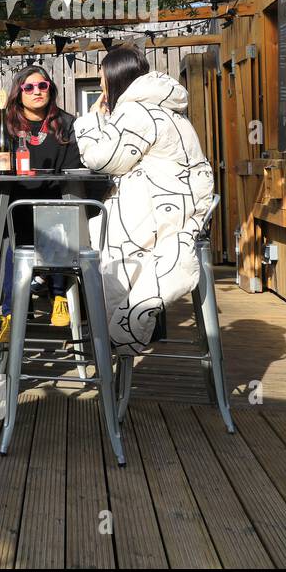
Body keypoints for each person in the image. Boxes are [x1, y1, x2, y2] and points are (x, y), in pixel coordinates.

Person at [74, 47, 215, 353]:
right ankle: (108, 333)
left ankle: (106, 337)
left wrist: (90, 121)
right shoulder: (165, 109)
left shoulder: (138, 112)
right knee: (98, 230)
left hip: (158, 222)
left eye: (102, 79)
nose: (100, 87)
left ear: (115, 79)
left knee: (90, 244)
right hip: (182, 214)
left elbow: (102, 159)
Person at [0, 66, 83, 342]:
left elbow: (72, 169)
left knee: (55, 219)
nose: (37, 91)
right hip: (18, 208)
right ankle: (10, 313)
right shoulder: (6, 127)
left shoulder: (67, 124)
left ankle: (58, 295)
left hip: (55, 207)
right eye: (29, 87)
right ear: (19, 93)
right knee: (13, 237)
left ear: (50, 89)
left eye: (43, 86)